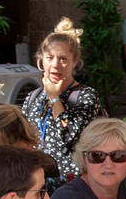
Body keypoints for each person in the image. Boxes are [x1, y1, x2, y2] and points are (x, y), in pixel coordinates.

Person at [20, 18, 102, 179]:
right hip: (36, 182)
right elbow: (22, 141)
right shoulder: (33, 97)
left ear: (75, 62)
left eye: (63, 59)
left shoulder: (86, 96)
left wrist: (54, 99)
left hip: (72, 182)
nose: (55, 65)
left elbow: (70, 138)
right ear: (41, 60)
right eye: (50, 58)